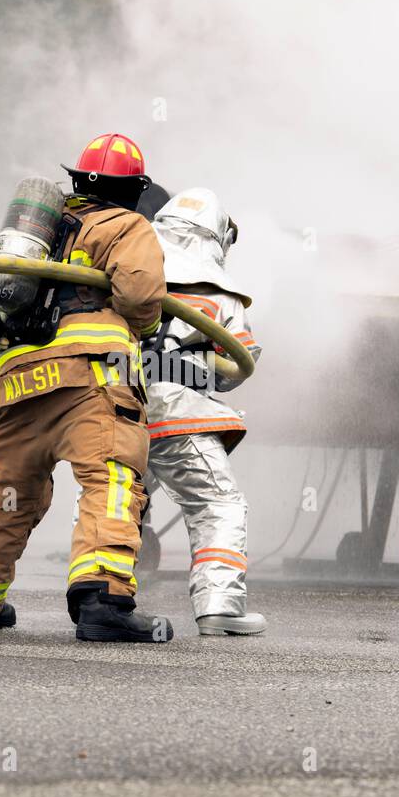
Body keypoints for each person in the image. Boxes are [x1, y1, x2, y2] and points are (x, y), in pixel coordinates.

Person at [0, 133, 174, 643]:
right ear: (135, 190)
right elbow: (139, 294)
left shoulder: (43, 234)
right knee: (110, 479)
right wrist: (147, 323)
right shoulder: (126, 224)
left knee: (15, 489)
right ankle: (102, 601)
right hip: (87, 380)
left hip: (19, 385)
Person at [142, 188, 266, 635]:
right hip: (182, 419)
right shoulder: (222, 297)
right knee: (218, 506)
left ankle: (109, 595)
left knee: (118, 499)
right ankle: (220, 608)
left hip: (119, 410)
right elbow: (237, 368)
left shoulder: (124, 278)